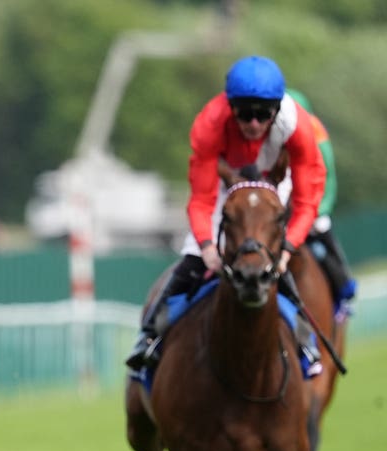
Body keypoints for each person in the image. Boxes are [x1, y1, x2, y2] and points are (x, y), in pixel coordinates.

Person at [126, 56, 327, 370]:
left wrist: (287, 248)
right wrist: (207, 247)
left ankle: (305, 343)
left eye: (263, 115)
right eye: (245, 114)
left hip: (274, 183)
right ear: (230, 106)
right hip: (227, 184)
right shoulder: (210, 124)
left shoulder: (297, 127)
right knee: (192, 260)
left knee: (276, 263)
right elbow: (202, 201)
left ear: (277, 110)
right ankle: (150, 335)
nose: (254, 124)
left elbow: (306, 201)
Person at [284, 88, 356, 326]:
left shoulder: (315, 132)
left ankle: (344, 288)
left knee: (322, 238)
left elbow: (328, 177)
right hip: (288, 208)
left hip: (313, 208)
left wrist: (318, 209)